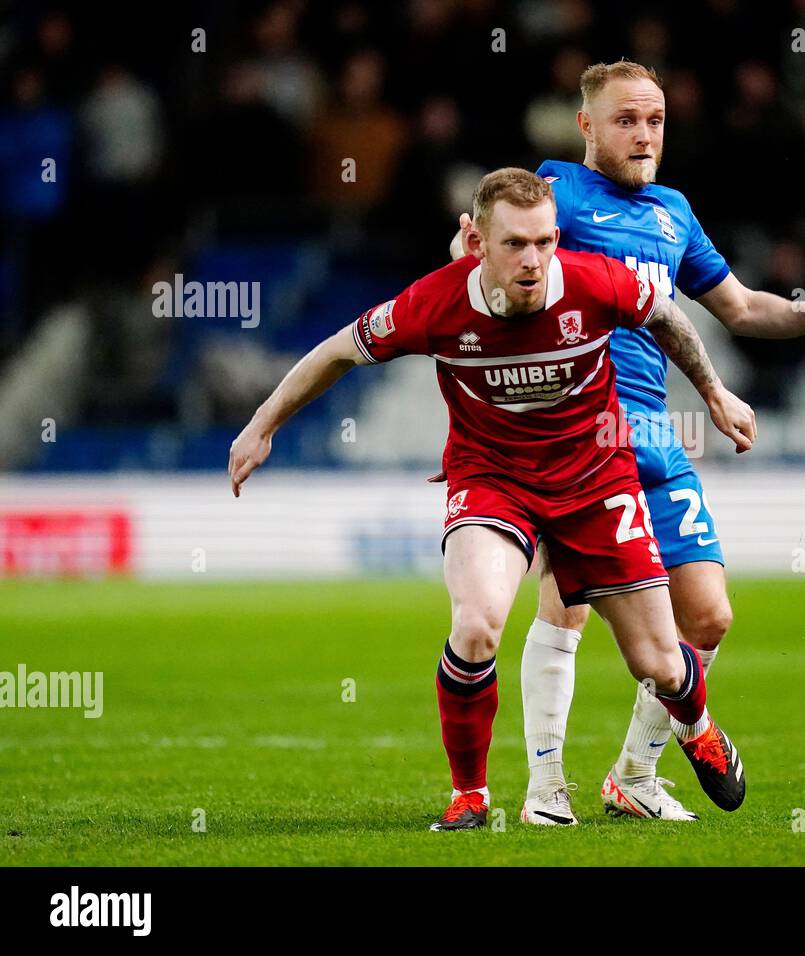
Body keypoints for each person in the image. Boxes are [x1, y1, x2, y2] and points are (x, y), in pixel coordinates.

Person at [229, 168, 756, 829]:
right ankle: (471, 795)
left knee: (656, 662)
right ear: (474, 241)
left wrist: (713, 393)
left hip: (597, 480)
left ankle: (696, 722)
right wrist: (262, 424)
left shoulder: (594, 284)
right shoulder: (435, 304)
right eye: (514, 244)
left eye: (543, 242)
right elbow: (338, 351)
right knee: (476, 626)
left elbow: (670, 319)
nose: (533, 260)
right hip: (492, 480)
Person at [451, 61, 805, 823]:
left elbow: (743, 308)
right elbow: (495, 251)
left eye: (653, 119)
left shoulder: (672, 212)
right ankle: (545, 790)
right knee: (567, 607)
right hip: (573, 437)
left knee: (708, 616)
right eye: (625, 120)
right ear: (587, 126)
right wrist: (465, 256)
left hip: (653, 435)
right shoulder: (557, 192)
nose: (644, 133)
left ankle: (633, 775)